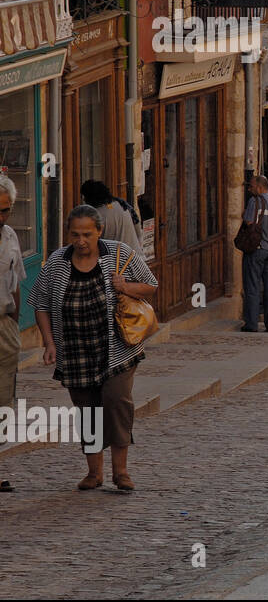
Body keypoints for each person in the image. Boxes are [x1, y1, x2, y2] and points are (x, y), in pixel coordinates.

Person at [31, 206, 157, 491]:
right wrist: (49, 343)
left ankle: (121, 471)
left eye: (87, 234)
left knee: (116, 403)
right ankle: (94, 472)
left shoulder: (119, 253)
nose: (81, 240)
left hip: (117, 349)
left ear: (99, 231)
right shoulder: (57, 262)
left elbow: (150, 285)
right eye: (75, 234)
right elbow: (40, 303)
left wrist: (125, 287)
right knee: (87, 409)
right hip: (75, 352)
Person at [0, 174, 25, 493]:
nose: (1, 217)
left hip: (4, 325)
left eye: (6, 210)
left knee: (3, 402)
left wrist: (15, 327)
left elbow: (17, 283)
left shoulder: (10, 237)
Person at [240, 175, 268, 333]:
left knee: (252, 286)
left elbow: (249, 222)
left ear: (260, 187)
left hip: (258, 249)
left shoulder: (255, 201)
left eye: (251, 186)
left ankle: (251, 324)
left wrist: (243, 215)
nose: (249, 189)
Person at [80, 179, 144, 257]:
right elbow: (138, 231)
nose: (84, 200)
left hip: (116, 264)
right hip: (136, 259)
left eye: (85, 197)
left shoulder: (95, 216)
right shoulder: (123, 204)